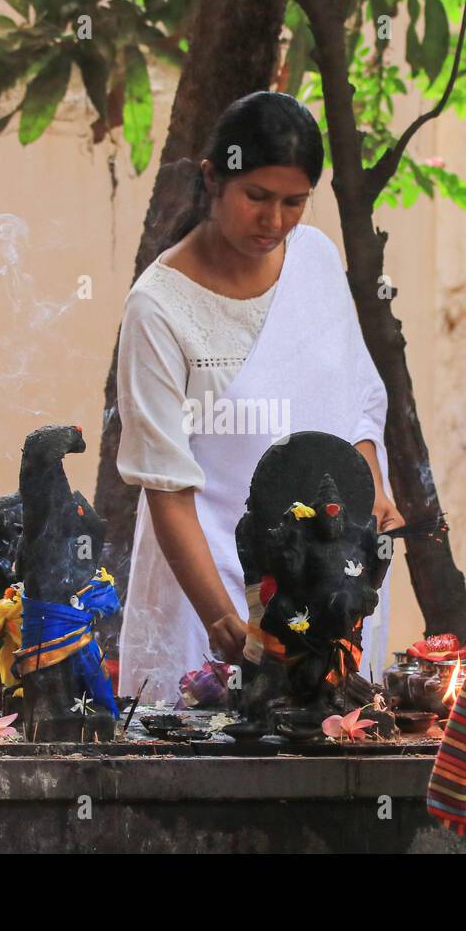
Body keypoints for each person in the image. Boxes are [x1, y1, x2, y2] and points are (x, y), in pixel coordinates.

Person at [115, 92, 402, 701]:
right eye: (258, 198)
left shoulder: (316, 260)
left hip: (328, 580)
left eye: (293, 202)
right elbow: (165, 485)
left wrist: (371, 486)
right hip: (212, 587)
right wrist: (229, 627)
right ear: (213, 180)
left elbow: (358, 398)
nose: (275, 221)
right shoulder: (159, 308)